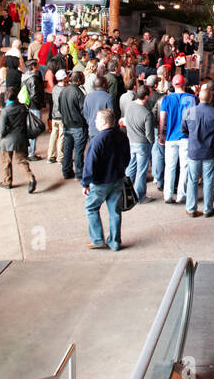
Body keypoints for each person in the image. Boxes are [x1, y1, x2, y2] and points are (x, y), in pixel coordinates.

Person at [82, 109, 131, 248]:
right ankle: (115, 242)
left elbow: (90, 164)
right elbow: (127, 158)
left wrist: (85, 183)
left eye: (97, 119)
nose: (95, 121)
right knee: (115, 211)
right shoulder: (122, 136)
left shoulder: (97, 140)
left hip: (101, 182)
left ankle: (97, 240)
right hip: (118, 179)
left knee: (91, 207)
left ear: (104, 122)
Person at [182, 87, 214, 218]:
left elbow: (183, 130)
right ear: (210, 98)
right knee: (208, 180)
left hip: (194, 151)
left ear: (198, 97)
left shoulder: (190, 111)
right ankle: (208, 209)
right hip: (209, 150)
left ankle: (191, 208)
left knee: (193, 180)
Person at [158, 75, 196, 204]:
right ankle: (182, 195)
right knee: (184, 166)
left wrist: (160, 134)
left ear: (173, 85)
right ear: (184, 84)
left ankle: (168, 195)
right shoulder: (191, 98)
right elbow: (192, 119)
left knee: (170, 166)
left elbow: (162, 118)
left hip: (170, 137)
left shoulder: (167, 99)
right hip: (185, 137)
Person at [0, 89, 36, 193]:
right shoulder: (23, 108)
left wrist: (1, 138)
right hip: (21, 138)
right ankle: (30, 178)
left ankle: (7, 181)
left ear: (7, 97)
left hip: (8, 139)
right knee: (21, 161)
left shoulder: (5, 111)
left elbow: (2, 128)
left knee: (7, 162)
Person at [124, 84, 155, 204]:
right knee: (141, 171)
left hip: (131, 141)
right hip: (142, 144)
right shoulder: (147, 114)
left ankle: (124, 191)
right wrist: (152, 143)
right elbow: (149, 134)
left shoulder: (130, 106)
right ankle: (140, 196)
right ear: (146, 96)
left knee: (131, 167)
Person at [59, 72, 89, 180]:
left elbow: (59, 108)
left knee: (67, 149)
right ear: (79, 80)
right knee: (78, 151)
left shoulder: (64, 91)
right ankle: (79, 173)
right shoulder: (79, 93)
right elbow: (83, 111)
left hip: (67, 125)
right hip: (78, 126)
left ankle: (66, 171)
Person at [47, 69, 69, 168]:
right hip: (62, 116)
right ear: (64, 78)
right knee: (61, 136)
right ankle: (60, 157)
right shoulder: (65, 90)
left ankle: (50, 156)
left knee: (53, 135)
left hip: (54, 114)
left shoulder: (55, 88)